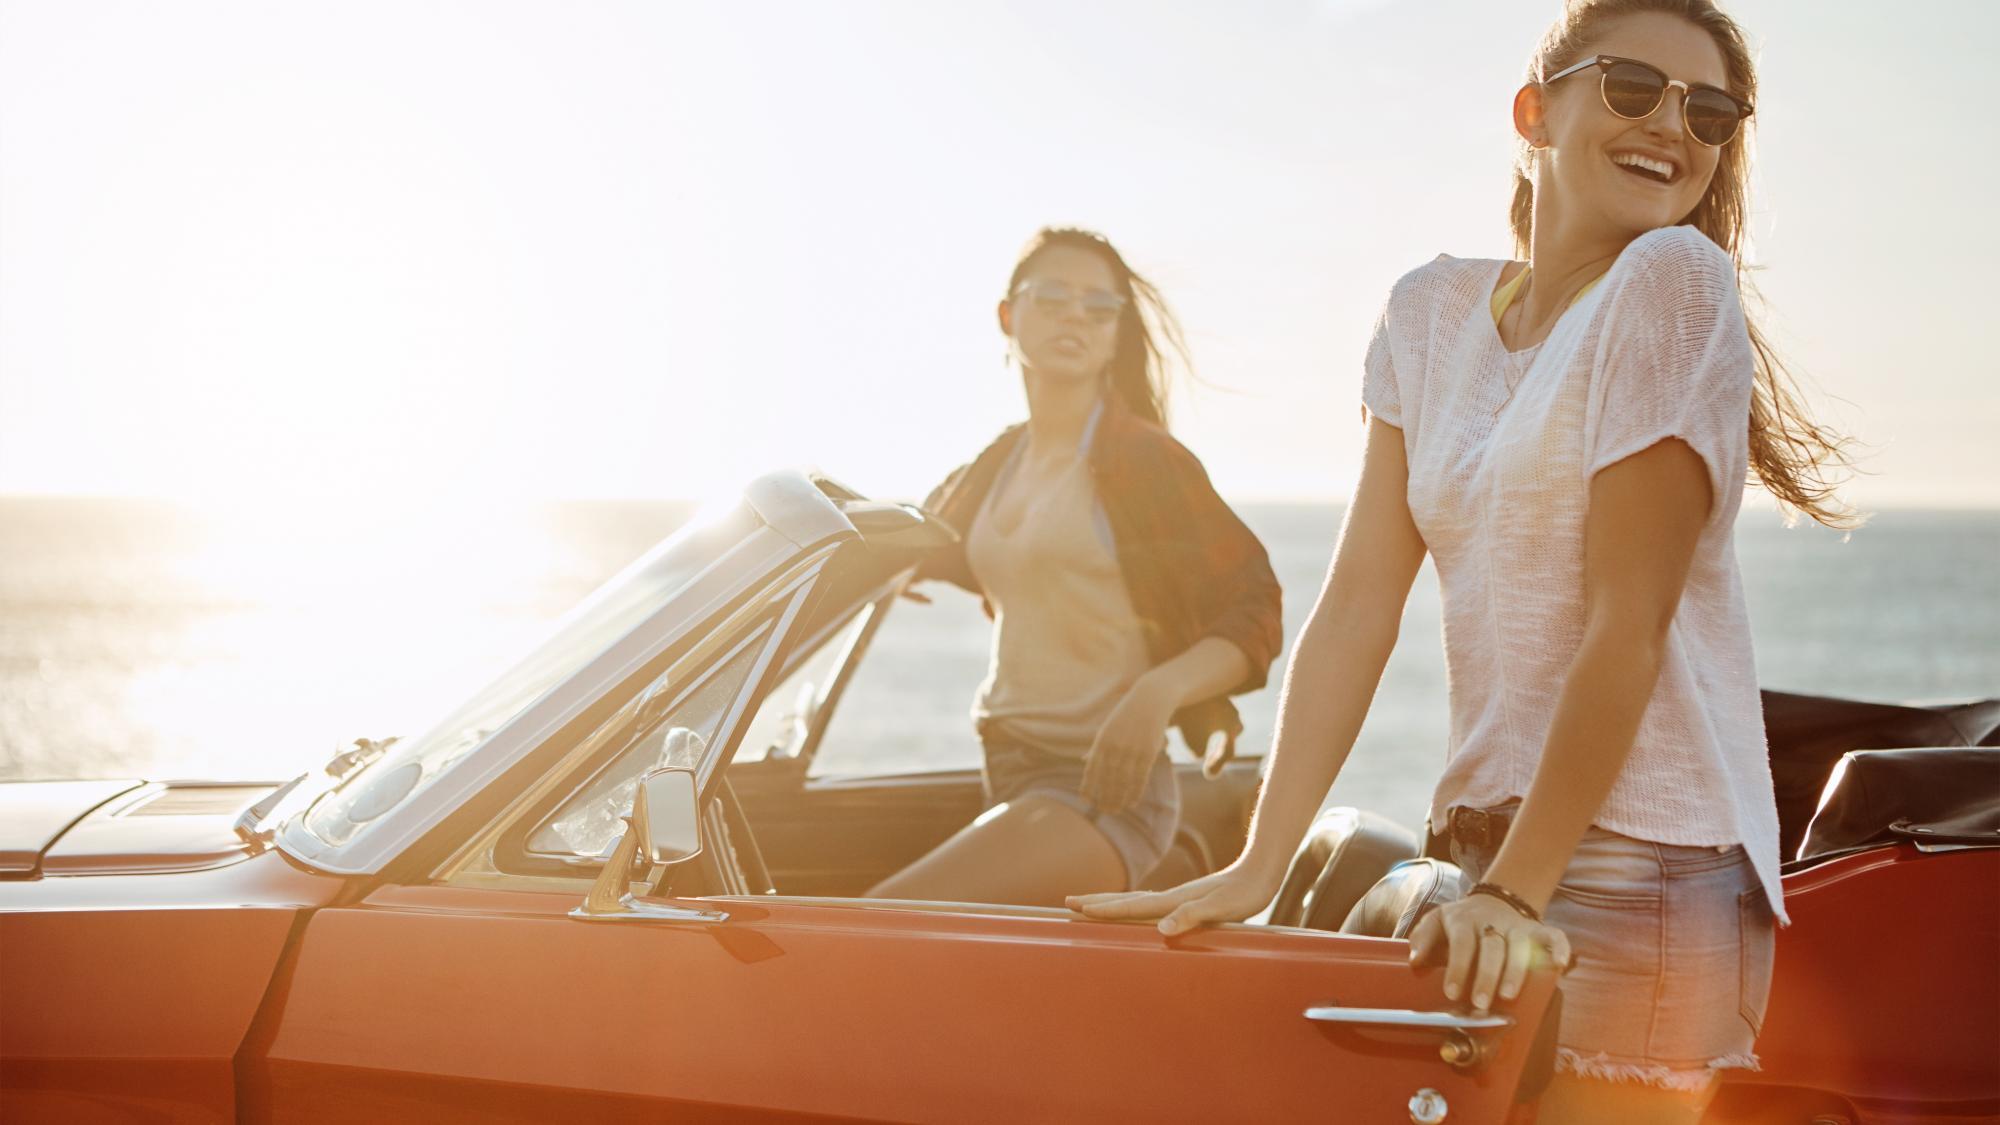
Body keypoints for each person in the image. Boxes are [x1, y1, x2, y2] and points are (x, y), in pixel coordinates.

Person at [1071, 2, 1854, 1119]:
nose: (1672, 124)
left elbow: (1623, 628)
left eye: (1710, 109)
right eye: (1632, 87)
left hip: (1638, 871)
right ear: (1534, 111)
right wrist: (1259, 861)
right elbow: (1353, 608)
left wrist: (1514, 895)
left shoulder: (1674, 284)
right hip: (1485, 860)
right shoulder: (1427, 312)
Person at [865, 227, 1283, 907]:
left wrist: (1158, 694)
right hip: (1009, 766)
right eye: (1054, 297)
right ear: (1009, 315)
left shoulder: (1145, 462)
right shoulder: (998, 462)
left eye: (1100, 306)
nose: (1076, 317)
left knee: (876, 926)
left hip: (1104, 789)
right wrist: (870, 568)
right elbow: (924, 541)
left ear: (1116, 334)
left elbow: (1256, 603)